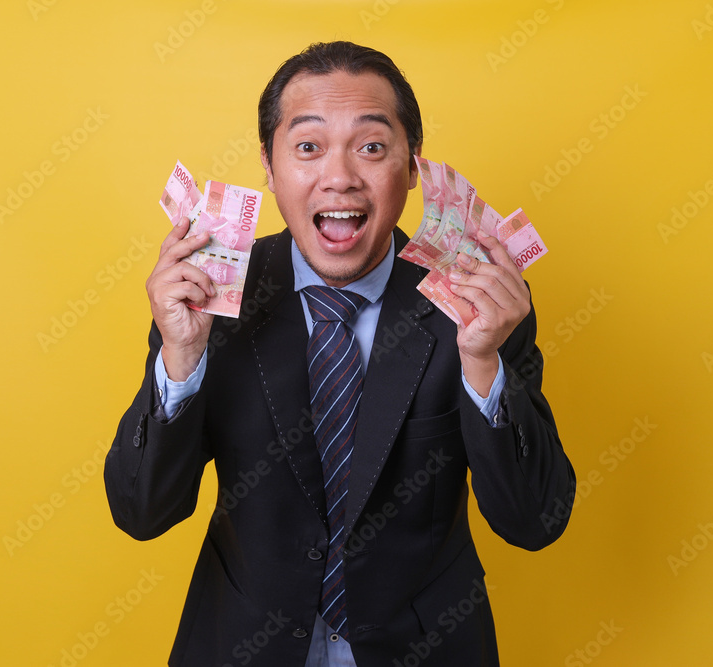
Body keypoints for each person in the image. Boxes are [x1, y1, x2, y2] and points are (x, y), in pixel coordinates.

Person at [104, 41, 575, 666]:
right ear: (269, 171)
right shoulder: (210, 297)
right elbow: (141, 512)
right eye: (307, 147)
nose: (341, 175)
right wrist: (181, 357)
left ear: (413, 169)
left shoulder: (478, 302)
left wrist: (483, 364)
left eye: (372, 147)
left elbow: (535, 521)